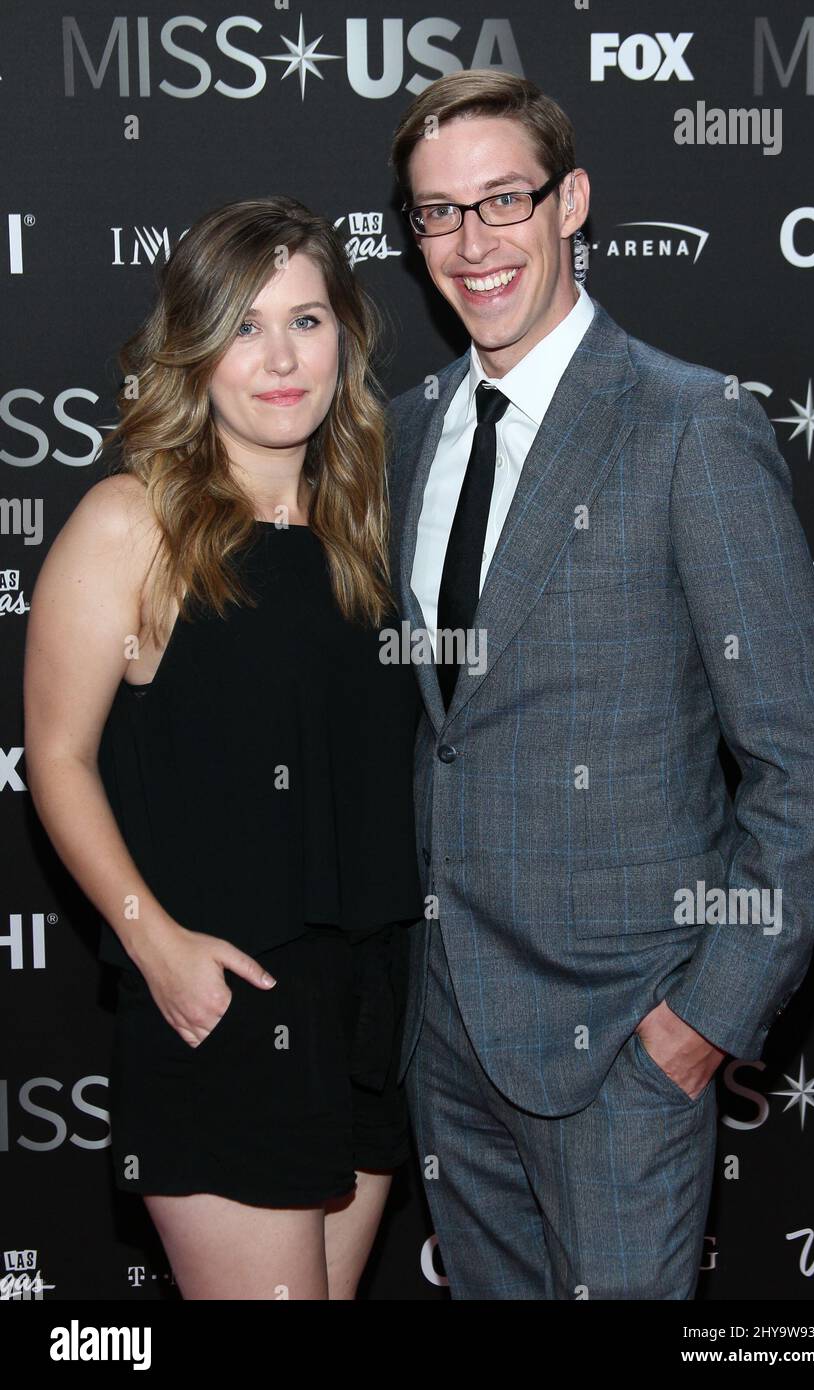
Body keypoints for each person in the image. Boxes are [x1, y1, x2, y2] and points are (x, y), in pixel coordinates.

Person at [385, 70, 814, 1299]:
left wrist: (699, 1024)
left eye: (502, 200)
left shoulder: (685, 426)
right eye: (438, 213)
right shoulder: (401, 431)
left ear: (571, 202)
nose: (473, 243)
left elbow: (805, 755)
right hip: (446, 1037)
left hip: (623, 1047)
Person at [23, 196, 425, 1300]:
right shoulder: (132, 522)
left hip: (371, 994)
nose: (279, 357)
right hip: (226, 999)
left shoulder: (369, 532)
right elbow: (56, 755)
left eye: (305, 320)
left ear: (345, 333)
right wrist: (153, 943)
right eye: (243, 327)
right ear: (192, 349)